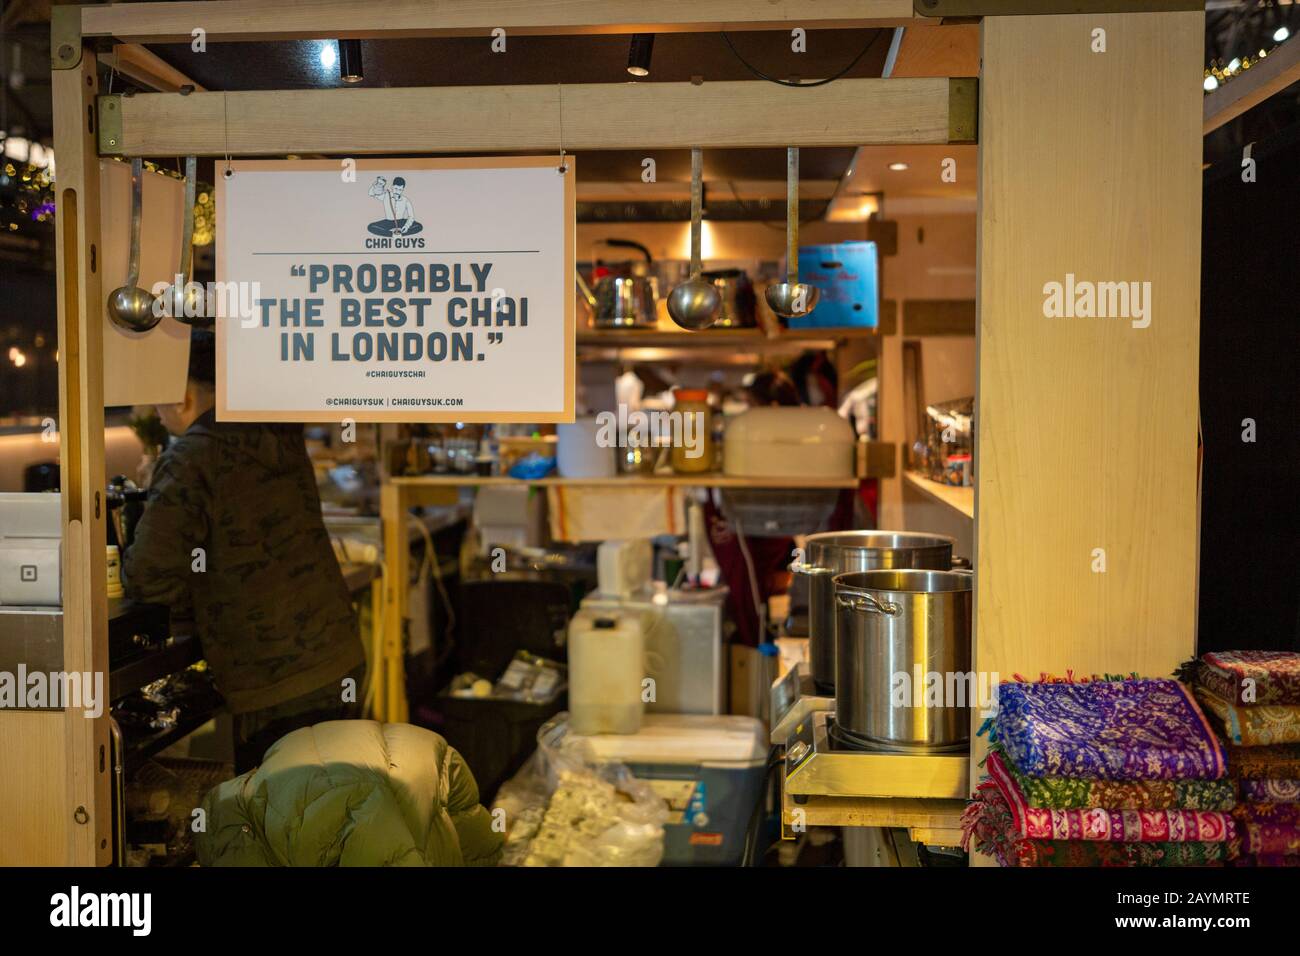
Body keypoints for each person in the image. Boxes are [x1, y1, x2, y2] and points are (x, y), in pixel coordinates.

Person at [123, 329, 366, 772]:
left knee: (285, 826)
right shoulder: (278, 432)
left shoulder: (192, 456)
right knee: (335, 813)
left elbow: (148, 576)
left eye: (159, 402)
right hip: (335, 656)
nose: (158, 416)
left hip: (274, 678)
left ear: (181, 398)